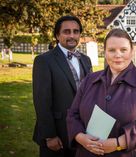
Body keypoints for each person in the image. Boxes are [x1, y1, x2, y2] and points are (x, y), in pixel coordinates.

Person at [67, 28, 136, 157]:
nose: (117, 55)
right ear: (105, 53)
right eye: (112, 50)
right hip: (87, 152)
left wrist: (118, 143)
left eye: (123, 50)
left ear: (131, 52)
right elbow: (72, 114)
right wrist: (80, 138)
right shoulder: (89, 80)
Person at [32, 15, 92, 157]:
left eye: (76, 31)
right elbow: (41, 101)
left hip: (82, 131)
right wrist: (49, 135)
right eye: (67, 31)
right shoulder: (44, 61)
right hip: (57, 132)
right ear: (57, 35)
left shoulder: (86, 60)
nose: (72, 35)